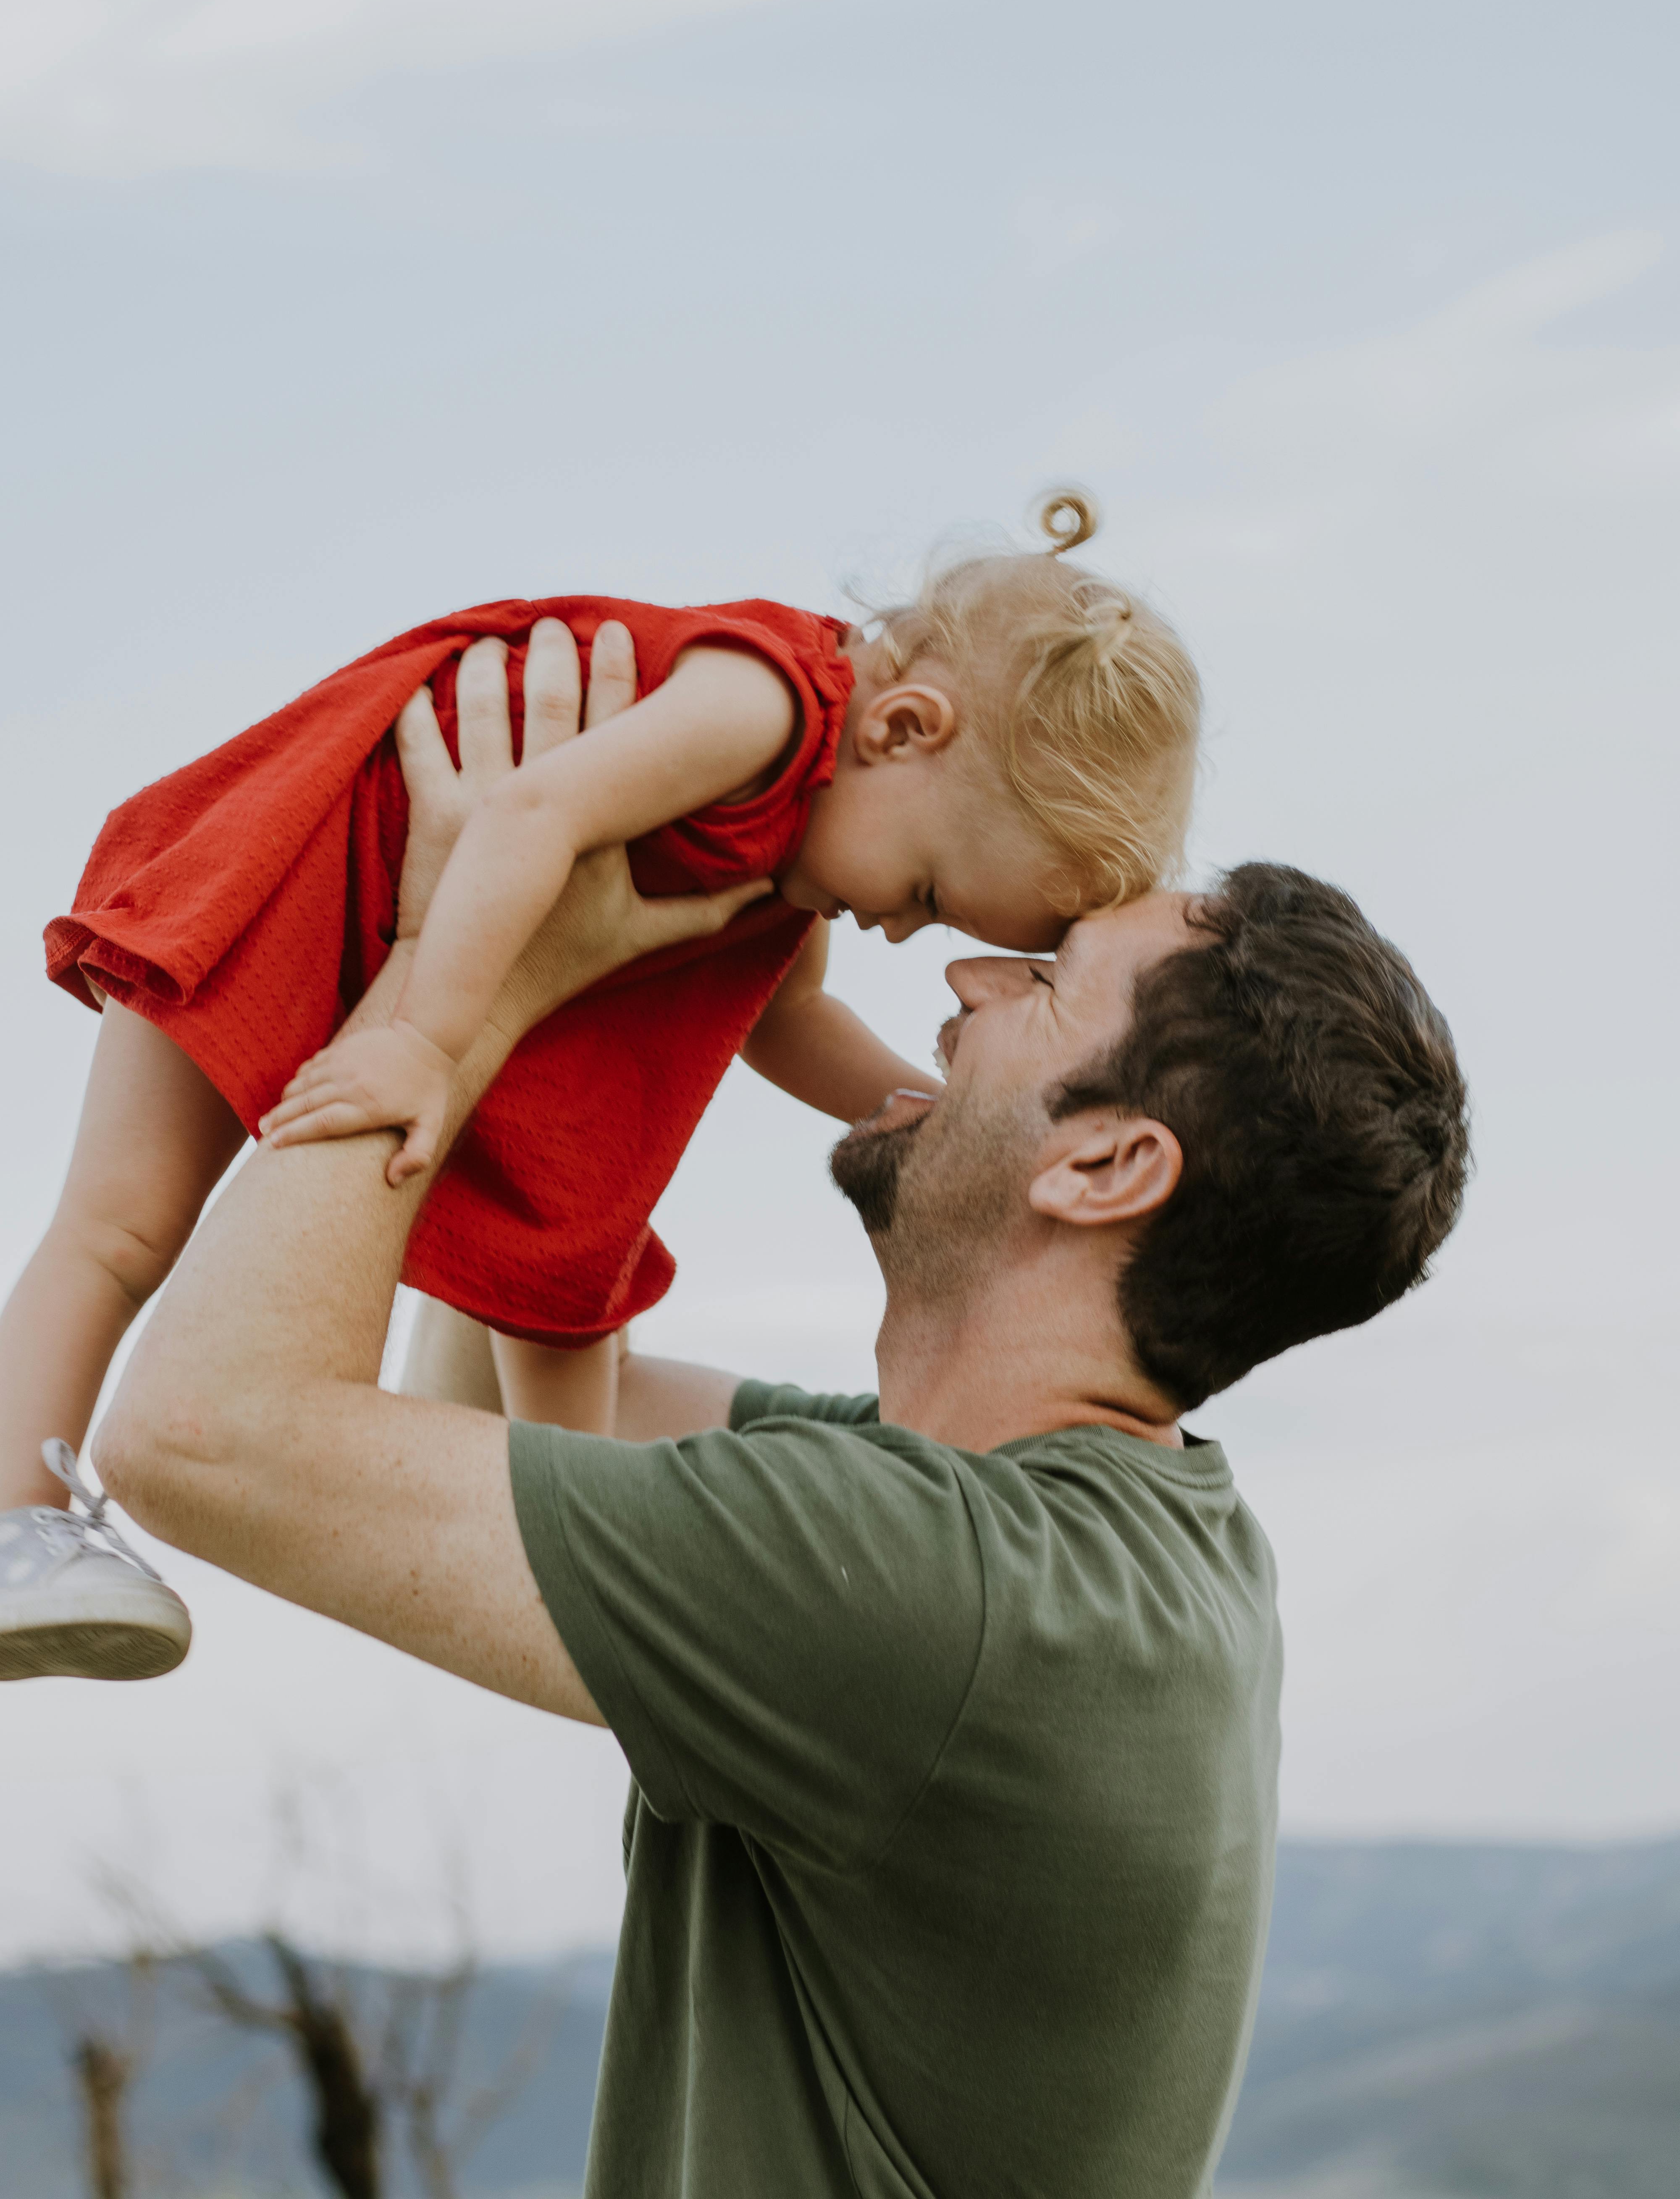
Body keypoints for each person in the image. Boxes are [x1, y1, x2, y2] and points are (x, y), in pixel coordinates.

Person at [81, 643, 1467, 2198]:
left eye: (1047, 978)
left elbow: (206, 1431)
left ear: (1106, 1168)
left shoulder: (961, 1605)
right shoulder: (1076, 1549)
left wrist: (451, 970)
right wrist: (587, 995)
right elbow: (474, 1413)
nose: (963, 974)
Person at [0, 496, 1201, 1680]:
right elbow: (529, 808)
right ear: (903, 728)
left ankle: (564, 1532)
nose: (900, 934)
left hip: (440, 945)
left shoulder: (807, 843)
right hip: (322, 862)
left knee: (575, 1227)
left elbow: (790, 1021)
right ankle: (18, 1518)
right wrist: (425, 1034)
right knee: (120, 1226)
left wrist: (933, 1117)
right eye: (929, 891)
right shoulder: (766, 709)